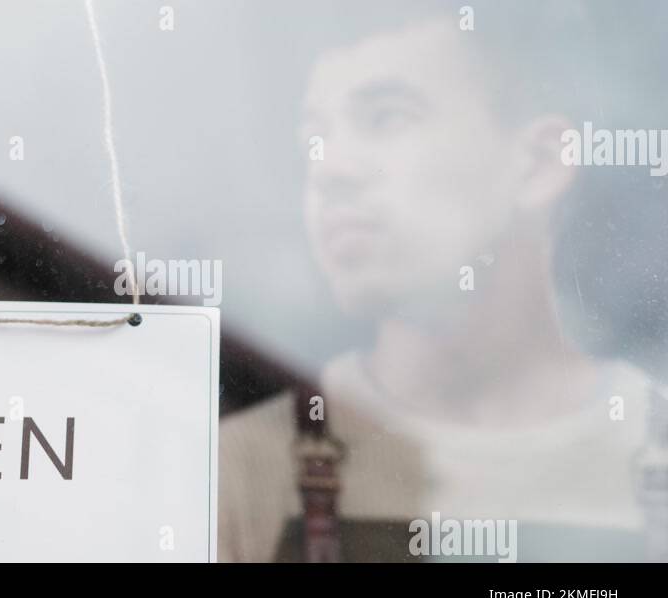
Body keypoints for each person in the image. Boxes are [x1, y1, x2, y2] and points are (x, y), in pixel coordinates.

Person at [220, 1, 664, 562]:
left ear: (537, 163)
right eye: (315, 135)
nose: (329, 168)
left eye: (386, 117)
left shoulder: (655, 449)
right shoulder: (235, 472)